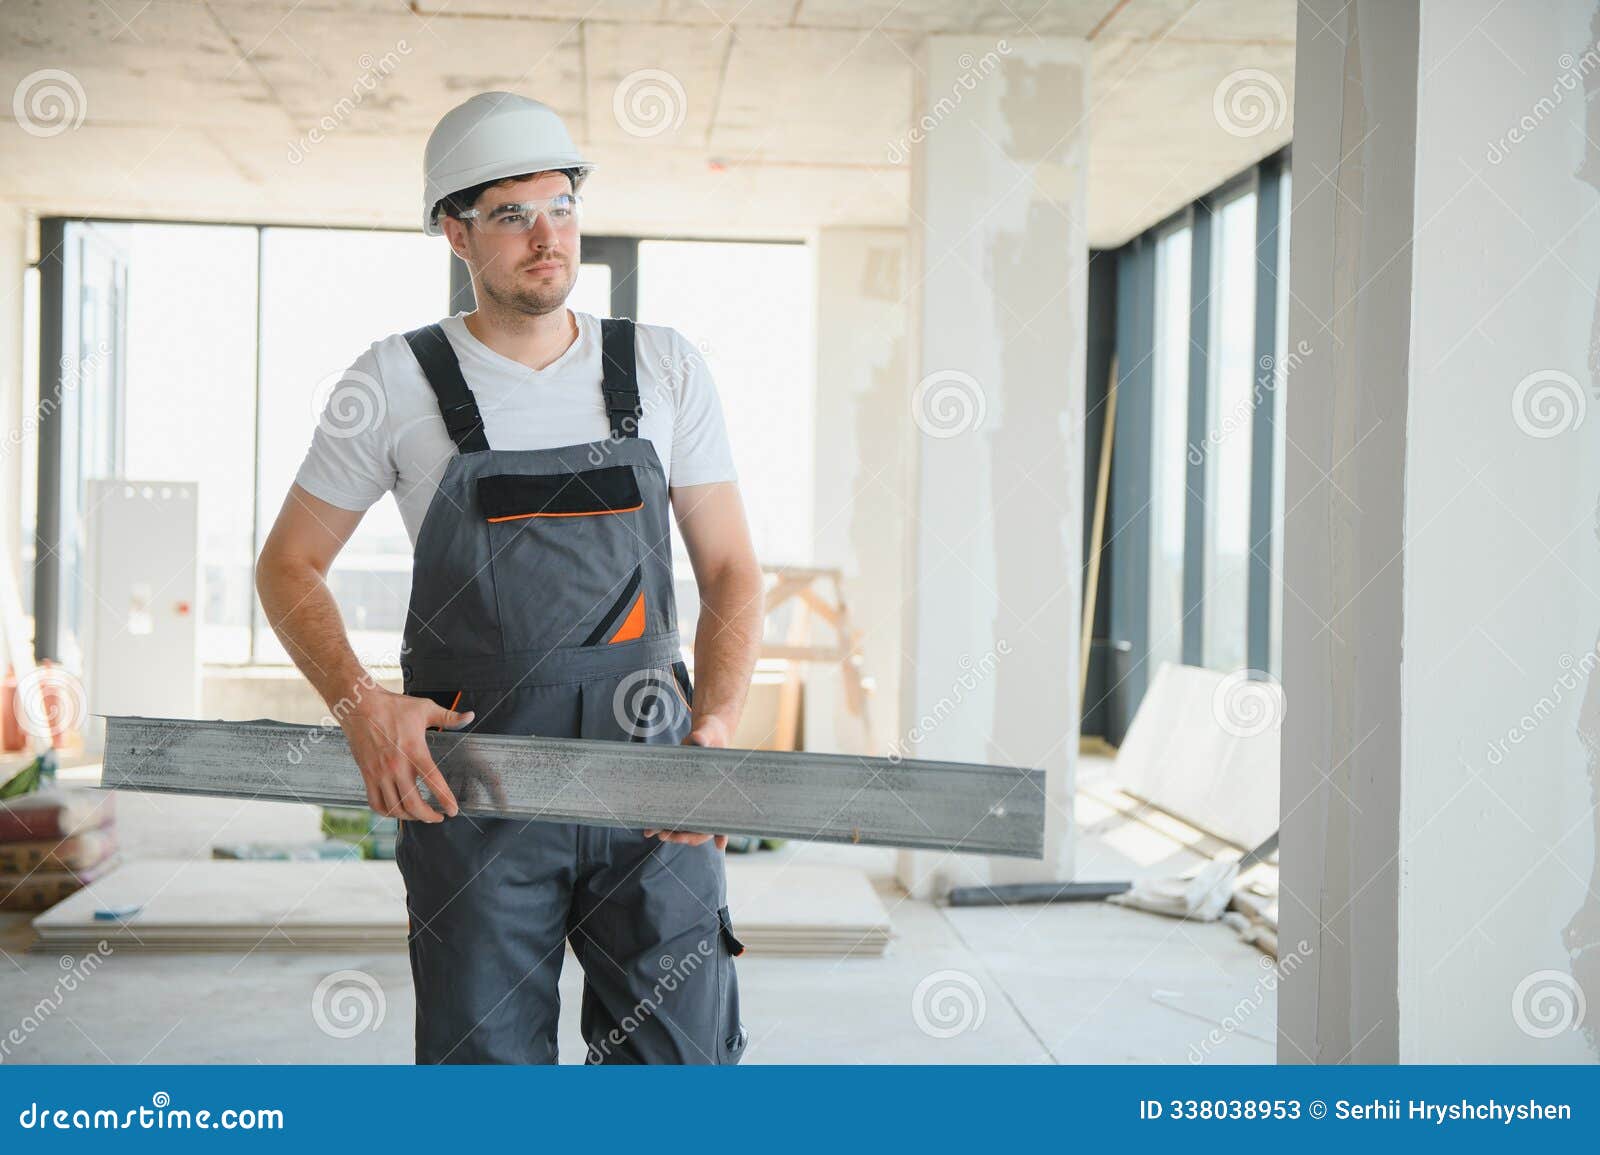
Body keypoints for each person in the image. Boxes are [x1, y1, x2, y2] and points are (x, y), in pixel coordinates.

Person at [255, 91, 763, 1065]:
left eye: (560, 207)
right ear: (454, 231)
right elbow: (288, 565)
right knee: (482, 1081)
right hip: (475, 785)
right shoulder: (393, 381)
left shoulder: (662, 367)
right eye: (511, 214)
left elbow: (733, 570)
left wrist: (719, 730)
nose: (547, 238)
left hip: (652, 770)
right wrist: (361, 704)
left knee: (682, 1072)